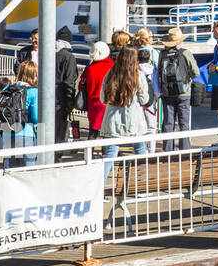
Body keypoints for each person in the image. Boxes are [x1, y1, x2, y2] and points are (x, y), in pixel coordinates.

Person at [99, 46, 149, 183]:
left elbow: (103, 99)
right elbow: (144, 99)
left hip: (112, 120)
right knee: (140, 151)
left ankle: (100, 189)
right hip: (134, 121)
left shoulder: (110, 74)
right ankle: (142, 185)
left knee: (110, 155)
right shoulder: (138, 75)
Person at [156, 27, 202, 151]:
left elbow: (159, 71)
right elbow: (196, 72)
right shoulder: (185, 53)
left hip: (167, 92)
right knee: (184, 123)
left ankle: (167, 151)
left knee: (168, 123)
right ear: (180, 41)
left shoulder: (162, 54)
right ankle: (185, 151)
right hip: (184, 92)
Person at [0, 61, 38, 167]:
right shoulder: (33, 91)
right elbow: (35, 117)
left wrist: (5, 118)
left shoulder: (9, 88)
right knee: (28, 172)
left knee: (10, 173)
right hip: (26, 134)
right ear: (34, 75)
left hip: (7, 134)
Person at [79, 42, 112, 140]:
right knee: (107, 132)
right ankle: (107, 153)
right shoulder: (111, 65)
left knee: (93, 130)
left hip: (92, 102)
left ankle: (90, 153)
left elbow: (82, 84)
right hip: (107, 101)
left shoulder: (89, 68)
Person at [53, 26, 79, 143]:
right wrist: (70, 100)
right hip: (61, 97)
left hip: (46, 94)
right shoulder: (69, 57)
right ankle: (56, 154)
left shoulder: (48, 53)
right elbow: (69, 80)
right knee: (59, 126)